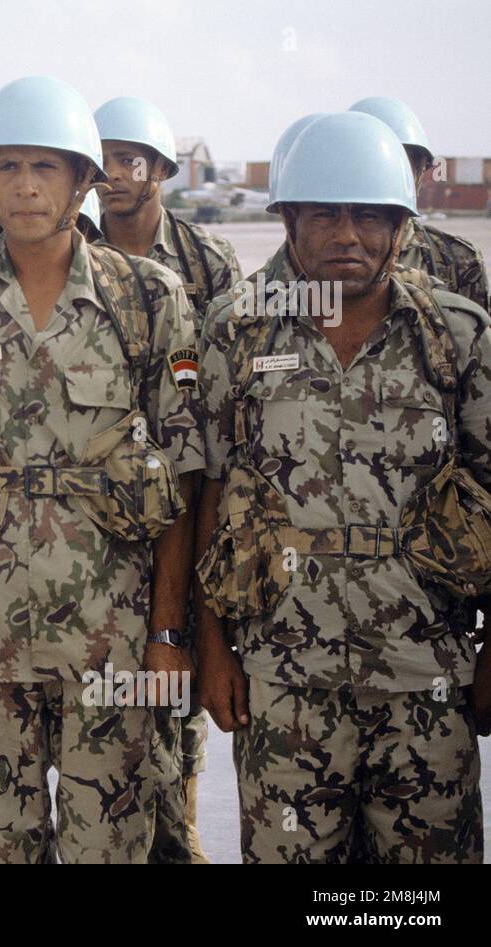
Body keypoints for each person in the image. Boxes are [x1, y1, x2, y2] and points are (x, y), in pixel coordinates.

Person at [0, 76, 203, 863]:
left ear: (84, 180)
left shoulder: (149, 299)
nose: (26, 185)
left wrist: (167, 630)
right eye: (9, 166)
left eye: (47, 167)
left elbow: (183, 477)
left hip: (114, 644)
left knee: (112, 848)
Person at [196, 111, 491, 863]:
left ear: (400, 225)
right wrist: (211, 643)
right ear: (289, 220)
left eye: (368, 214)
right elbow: (210, 492)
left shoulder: (456, 335)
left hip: (426, 672)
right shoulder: (237, 332)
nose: (346, 234)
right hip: (284, 675)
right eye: (324, 212)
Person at [93, 94, 243, 864]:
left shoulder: (208, 265)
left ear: (159, 170)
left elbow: (225, 393)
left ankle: (176, 836)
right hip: (103, 516)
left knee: (172, 718)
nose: (116, 174)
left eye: (132, 159)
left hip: (184, 493)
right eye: (106, 159)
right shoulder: (72, 247)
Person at [349, 96, 488, 312]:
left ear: (420, 172)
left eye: (404, 165)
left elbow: (476, 339)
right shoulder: (311, 253)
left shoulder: (457, 261)